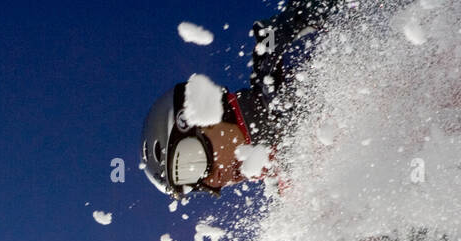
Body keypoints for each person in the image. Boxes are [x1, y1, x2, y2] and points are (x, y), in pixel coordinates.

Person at [140, 0, 345, 198]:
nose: (214, 180)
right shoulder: (286, 179)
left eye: (191, 162)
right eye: (196, 186)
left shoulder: (278, 62)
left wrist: (293, 23)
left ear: (204, 116)